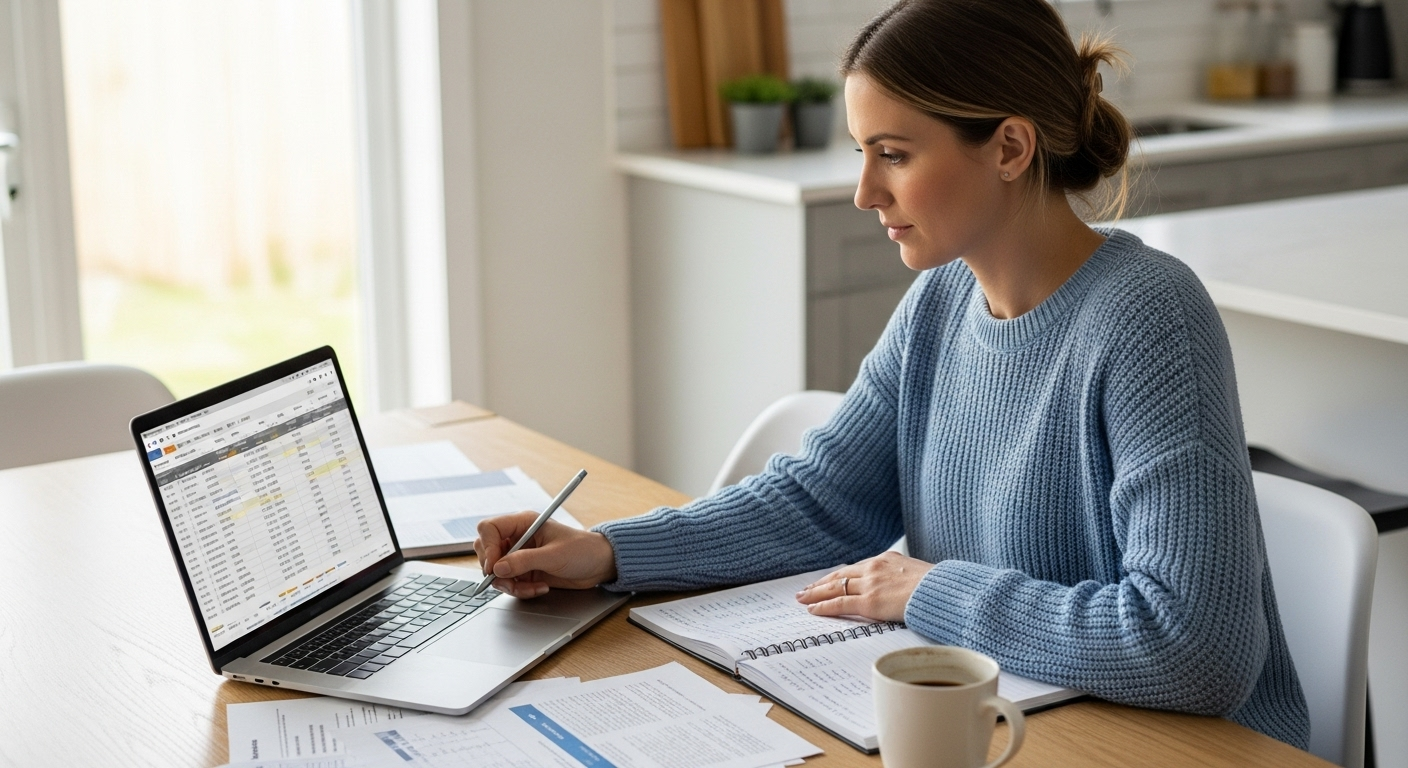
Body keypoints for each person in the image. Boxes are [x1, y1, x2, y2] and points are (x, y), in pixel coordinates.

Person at [474, 0, 1310, 749]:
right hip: (1014, 726)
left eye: (894, 154)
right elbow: (819, 500)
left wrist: (930, 592)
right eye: (862, 153)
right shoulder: (941, 301)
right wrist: (605, 551)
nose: (865, 191)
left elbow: (1194, 651)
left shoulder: (1150, 318)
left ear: (1010, 147)